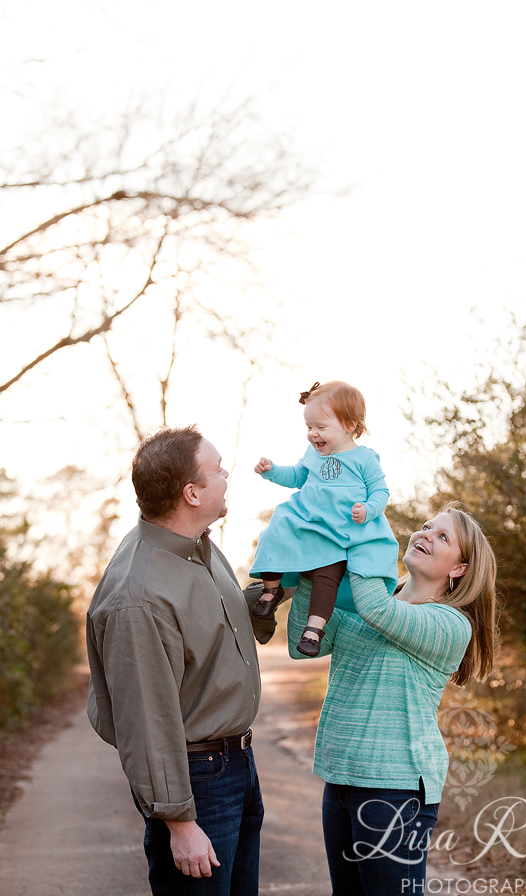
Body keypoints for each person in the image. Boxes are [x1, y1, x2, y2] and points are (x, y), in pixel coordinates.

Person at [86, 426, 278, 896]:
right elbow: (145, 718)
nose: (227, 475)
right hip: (198, 782)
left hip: (237, 766)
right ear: (192, 493)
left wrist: (266, 597)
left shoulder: (196, 547)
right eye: (217, 470)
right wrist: (179, 821)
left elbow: (209, 625)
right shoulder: (139, 595)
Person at [287, 504, 498, 896]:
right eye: (425, 527)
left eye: (442, 537)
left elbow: (376, 609)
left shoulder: (450, 625)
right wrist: (313, 574)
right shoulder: (375, 597)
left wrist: (360, 539)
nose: (424, 535)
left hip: (395, 789)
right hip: (342, 778)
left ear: (460, 569)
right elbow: (305, 647)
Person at [249, 380, 398, 656]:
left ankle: (314, 629)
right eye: (309, 428)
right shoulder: (312, 454)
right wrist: (271, 471)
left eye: (320, 427)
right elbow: (296, 477)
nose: (312, 434)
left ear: (350, 425)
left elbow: (381, 491)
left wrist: (368, 509)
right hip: (306, 522)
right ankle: (271, 590)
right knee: (274, 531)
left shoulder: (364, 459)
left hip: (338, 534)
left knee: (327, 574)